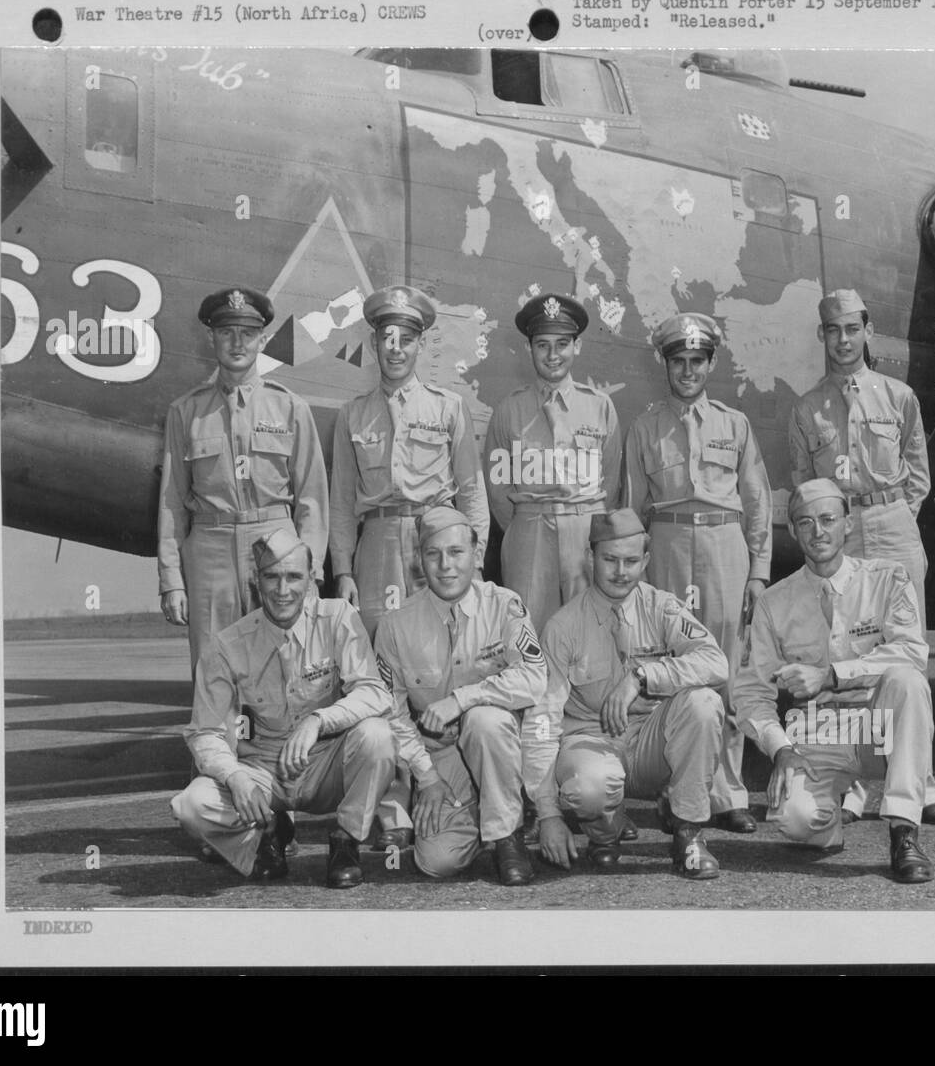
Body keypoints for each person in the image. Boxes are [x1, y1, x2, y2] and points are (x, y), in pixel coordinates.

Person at [330, 285, 490, 850]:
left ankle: (449, 777)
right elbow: (343, 501)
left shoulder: (448, 409)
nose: (395, 347)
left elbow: (471, 490)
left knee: (441, 660)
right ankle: (392, 788)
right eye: (385, 336)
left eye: (407, 337)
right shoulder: (353, 414)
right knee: (382, 669)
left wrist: (476, 557)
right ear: (374, 342)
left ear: (420, 344)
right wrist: (344, 571)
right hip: (377, 544)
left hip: (435, 543)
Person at [787, 287, 935, 827]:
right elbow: (802, 485)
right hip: (841, 530)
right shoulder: (807, 409)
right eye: (832, 330)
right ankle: (853, 784)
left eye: (852, 328)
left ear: (867, 331)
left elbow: (919, 475)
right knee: (847, 642)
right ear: (822, 336)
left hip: (892, 524)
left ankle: (922, 783)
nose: (843, 340)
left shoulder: (899, 397)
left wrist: (895, 519)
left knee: (907, 650)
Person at [731, 479, 935, 883]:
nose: (817, 531)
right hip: (819, 733)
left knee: (908, 682)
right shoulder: (775, 603)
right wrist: (781, 751)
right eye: (805, 522)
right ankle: (833, 801)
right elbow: (751, 694)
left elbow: (913, 650)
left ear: (848, 523)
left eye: (828, 519)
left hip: (879, 732)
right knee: (797, 821)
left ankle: (903, 831)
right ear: (792, 531)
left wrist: (830, 675)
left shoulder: (887, 578)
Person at [170, 529, 396, 887]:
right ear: (255, 581)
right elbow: (205, 733)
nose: (282, 589)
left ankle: (346, 840)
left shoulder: (338, 618)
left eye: (293, 577)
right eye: (271, 577)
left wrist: (319, 721)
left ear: (310, 580)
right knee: (191, 807)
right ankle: (268, 833)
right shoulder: (226, 647)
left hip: (325, 762)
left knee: (378, 737)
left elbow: (374, 692)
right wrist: (235, 777)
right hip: (264, 772)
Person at [622, 312, 772, 834]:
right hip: (665, 545)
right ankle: (675, 788)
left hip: (723, 547)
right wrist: (633, 580)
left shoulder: (735, 425)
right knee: (668, 664)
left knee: (724, 666)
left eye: (697, 361)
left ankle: (728, 791)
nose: (687, 371)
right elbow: (631, 509)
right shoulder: (644, 428)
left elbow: (756, 502)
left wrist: (758, 571)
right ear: (665, 364)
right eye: (678, 361)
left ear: (711, 364)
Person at [483, 292, 621, 836]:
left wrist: (581, 529)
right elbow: (497, 488)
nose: (553, 354)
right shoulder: (510, 411)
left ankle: (594, 788)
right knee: (531, 656)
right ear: (530, 350)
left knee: (589, 653)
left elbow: (607, 482)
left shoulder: (599, 407)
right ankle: (531, 794)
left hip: (583, 532)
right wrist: (525, 528)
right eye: (543, 345)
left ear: (577, 347)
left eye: (563, 344)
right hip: (529, 534)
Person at [535, 509, 728, 879]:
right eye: (609, 560)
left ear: (646, 561)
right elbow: (543, 719)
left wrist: (643, 675)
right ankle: (605, 833)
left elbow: (716, 663)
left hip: (652, 742)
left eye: (631, 561)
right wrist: (547, 814)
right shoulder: (562, 626)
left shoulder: (663, 607)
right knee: (589, 789)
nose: (621, 572)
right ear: (590, 558)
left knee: (704, 703)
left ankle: (688, 832)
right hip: (590, 739)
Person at [158, 286, 330, 677]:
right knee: (213, 669)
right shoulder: (185, 412)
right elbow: (171, 503)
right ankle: (217, 738)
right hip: (210, 551)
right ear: (211, 338)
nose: (237, 343)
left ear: (262, 339)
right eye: (226, 332)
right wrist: (172, 580)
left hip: (277, 546)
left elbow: (312, 501)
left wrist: (311, 572)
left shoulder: (290, 407)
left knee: (287, 668)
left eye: (247, 333)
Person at [373, 507, 545, 886]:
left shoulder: (504, 605)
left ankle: (506, 836)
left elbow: (535, 677)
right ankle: (477, 812)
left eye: (456, 553)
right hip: (441, 756)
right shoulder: (395, 625)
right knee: (438, 862)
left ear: (476, 554)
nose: (445, 565)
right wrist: (428, 777)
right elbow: (392, 714)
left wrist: (464, 698)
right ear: (419, 560)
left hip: (500, 743)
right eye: (433, 554)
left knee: (484, 719)